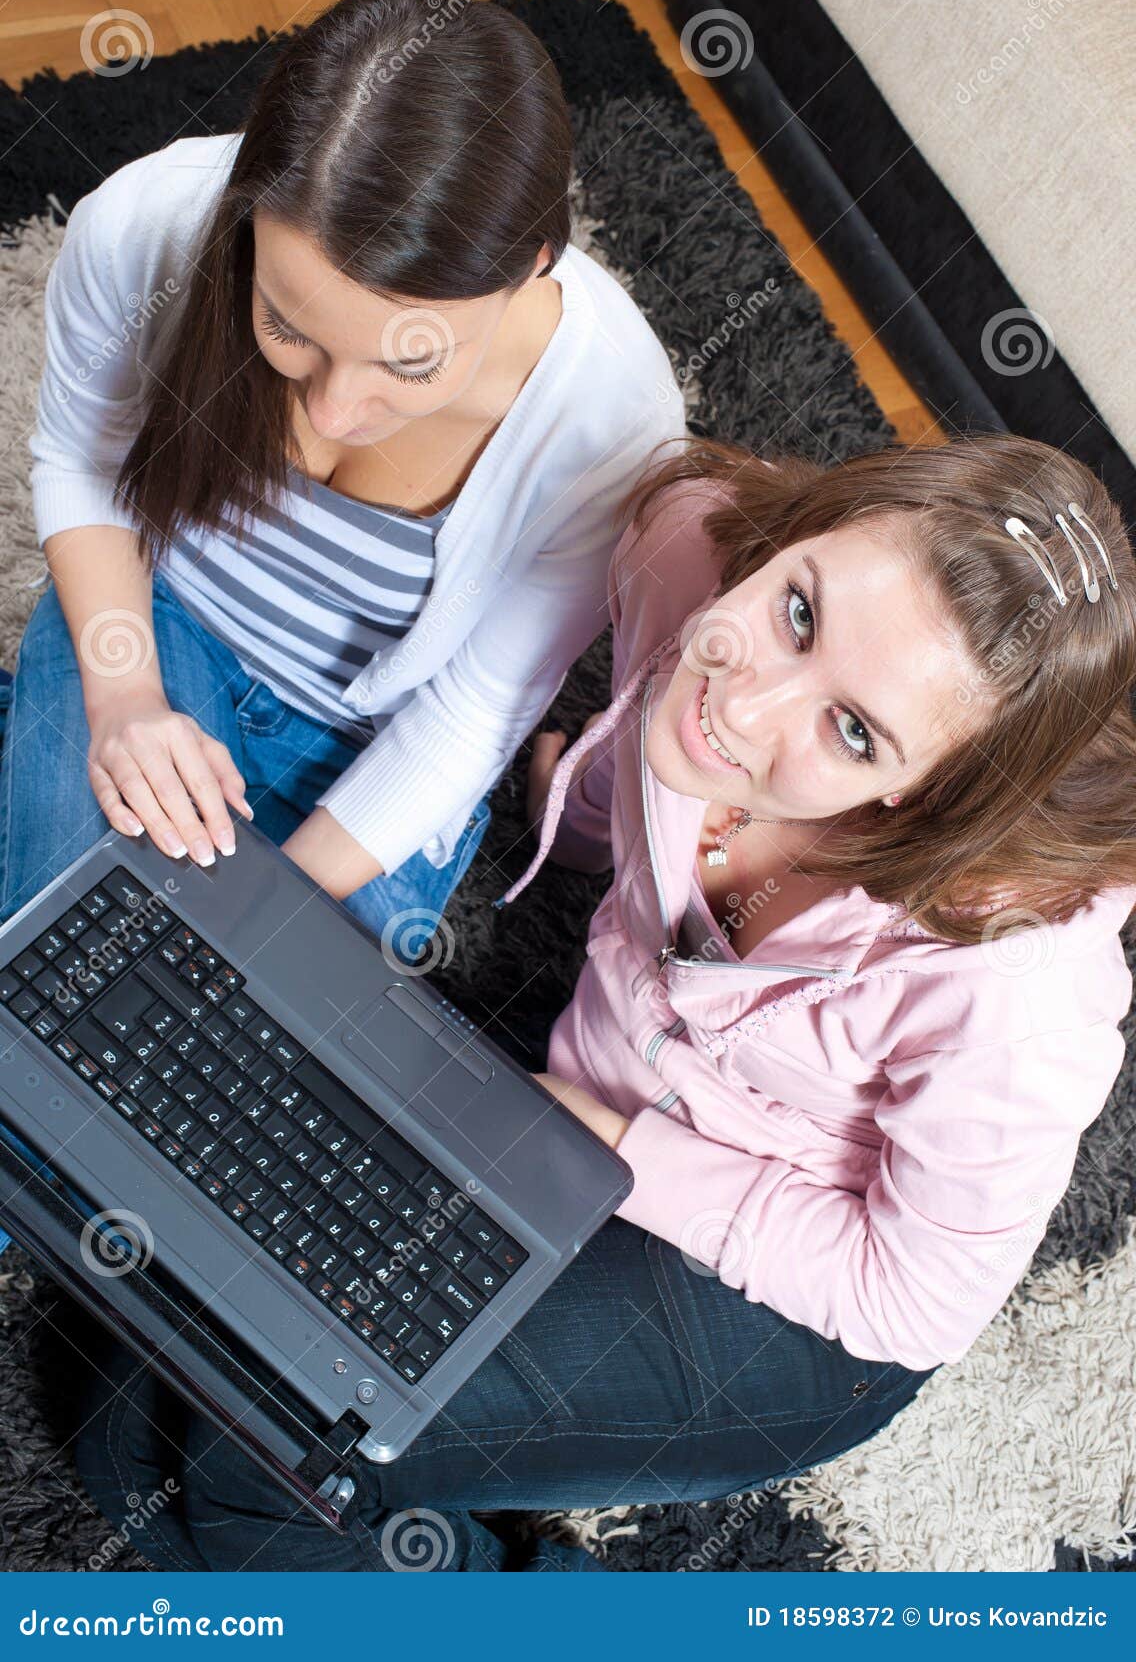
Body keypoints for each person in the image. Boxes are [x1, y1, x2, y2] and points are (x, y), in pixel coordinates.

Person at [66, 431, 1136, 1572]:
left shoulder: (1014, 982)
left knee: (250, 1460)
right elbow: (653, 736)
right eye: (799, 613)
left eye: (854, 730)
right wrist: (582, 809)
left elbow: (911, 1299)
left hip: (784, 1300)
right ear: (804, 529)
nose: (742, 703)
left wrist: (621, 1146)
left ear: (933, 797)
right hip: (583, 1096)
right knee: (131, 1391)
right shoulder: (686, 548)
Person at [0, 0, 684, 1255]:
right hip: (160, 632)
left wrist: (251, 926)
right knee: (56, 996)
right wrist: (123, 699)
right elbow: (82, 468)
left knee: (240, 1069)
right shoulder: (147, 225)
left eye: (406, 367)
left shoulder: (610, 419)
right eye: (287, 331)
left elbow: (472, 711)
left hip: (375, 738)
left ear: (535, 266)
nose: (330, 412)